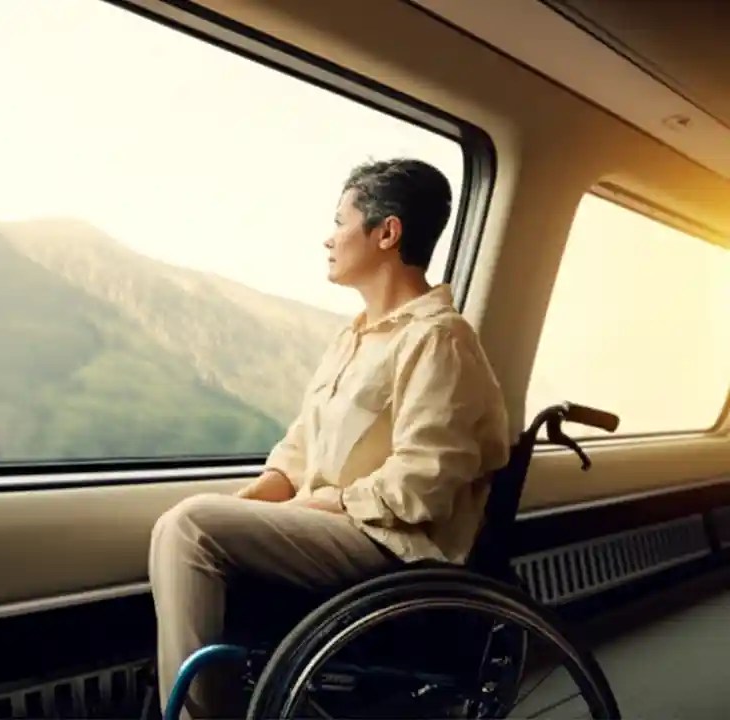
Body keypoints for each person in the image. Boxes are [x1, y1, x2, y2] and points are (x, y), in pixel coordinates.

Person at [148, 158, 512, 720]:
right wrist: (252, 507)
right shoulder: (352, 338)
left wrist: (333, 500)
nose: (328, 237)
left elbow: (425, 481)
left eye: (340, 220)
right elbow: (298, 451)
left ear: (387, 233)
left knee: (189, 528)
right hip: (334, 531)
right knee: (200, 522)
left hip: (394, 550)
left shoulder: (440, 341)